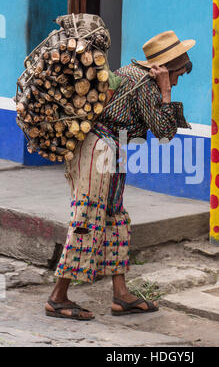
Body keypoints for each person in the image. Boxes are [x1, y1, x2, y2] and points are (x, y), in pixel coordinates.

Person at [45, 30, 196, 320]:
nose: (178, 79)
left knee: (116, 221)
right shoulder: (147, 84)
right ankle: (58, 297)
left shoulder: (131, 72)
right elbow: (165, 133)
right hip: (99, 151)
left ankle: (121, 295)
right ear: (166, 67)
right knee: (86, 220)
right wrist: (166, 91)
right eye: (178, 72)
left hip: (109, 151)